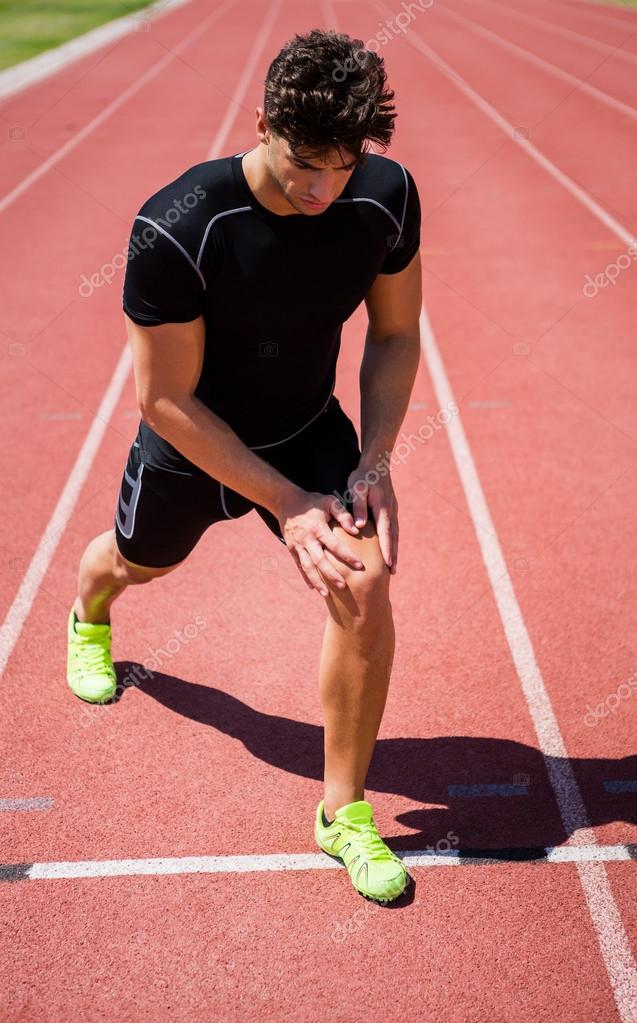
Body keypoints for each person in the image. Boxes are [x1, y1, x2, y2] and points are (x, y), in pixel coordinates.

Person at [66, 28, 422, 903]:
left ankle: (342, 811)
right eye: (304, 164)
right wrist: (290, 503)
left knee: (366, 580)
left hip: (307, 424)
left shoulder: (386, 198)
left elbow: (396, 330)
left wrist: (373, 459)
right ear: (260, 123)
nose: (320, 189)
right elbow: (165, 401)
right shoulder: (178, 224)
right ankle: (88, 610)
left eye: (341, 167)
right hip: (196, 438)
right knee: (138, 562)